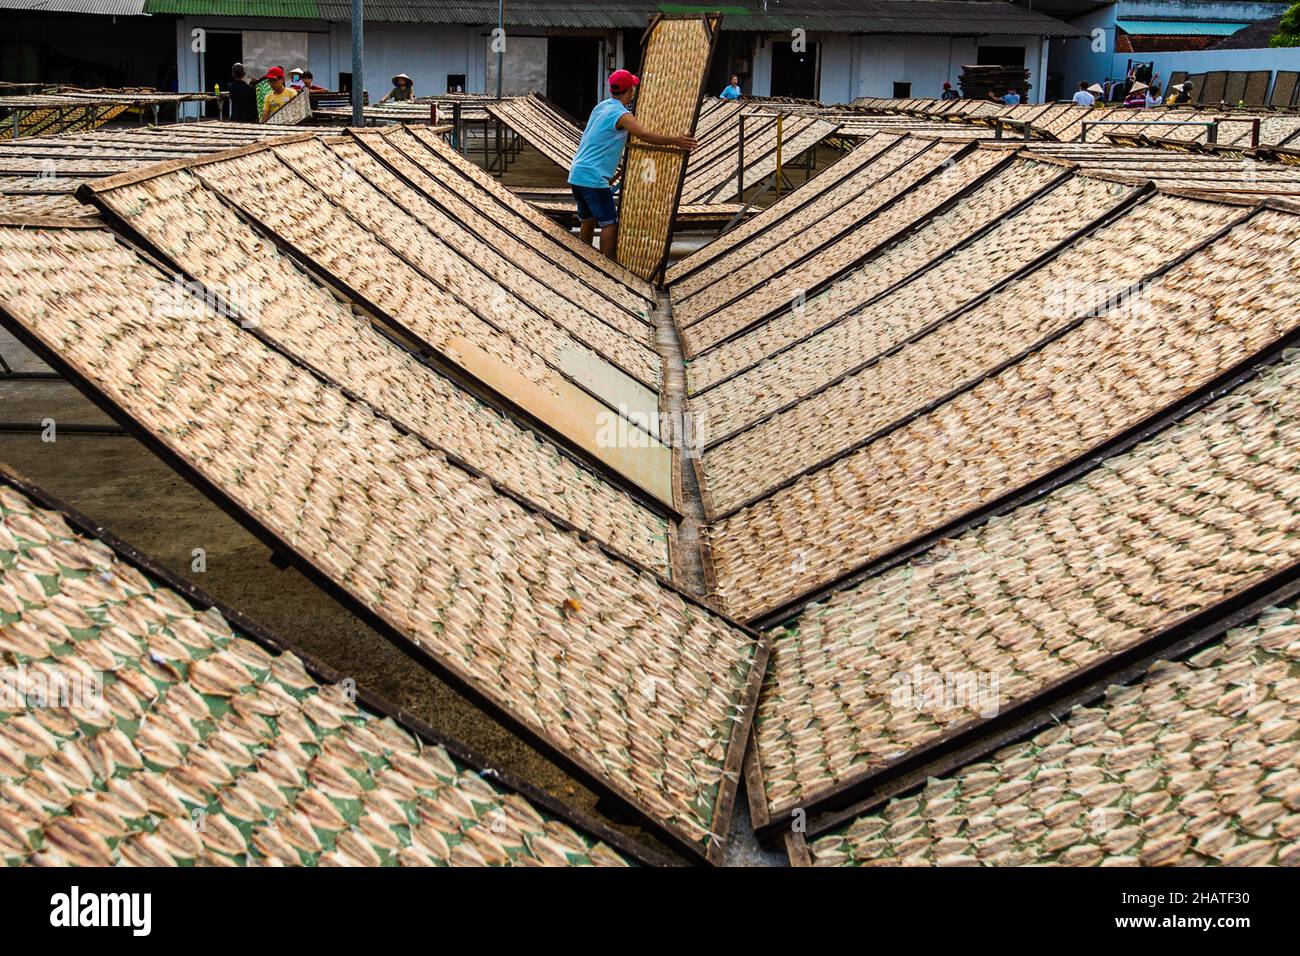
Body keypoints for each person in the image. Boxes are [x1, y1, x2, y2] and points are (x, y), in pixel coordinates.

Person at [568, 68, 699, 260]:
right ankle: (607, 266)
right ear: (630, 91)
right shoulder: (622, 115)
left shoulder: (601, 107)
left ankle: (585, 262)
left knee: (587, 220)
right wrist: (676, 140)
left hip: (577, 173)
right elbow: (644, 135)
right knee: (609, 223)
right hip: (593, 178)